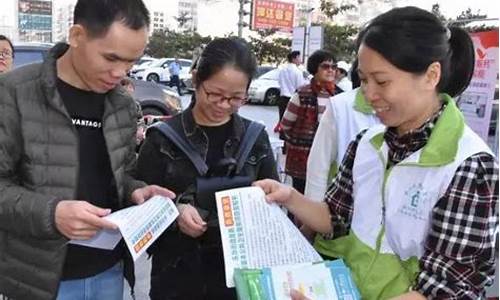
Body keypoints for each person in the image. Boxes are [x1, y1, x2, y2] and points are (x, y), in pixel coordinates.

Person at [255, 6, 498, 299]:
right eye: (364, 80)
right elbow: (336, 218)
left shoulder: (471, 166)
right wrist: (289, 197)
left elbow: (446, 287)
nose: (368, 95)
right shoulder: (366, 143)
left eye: (381, 81)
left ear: (431, 75)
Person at [0, 1, 175, 300]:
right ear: (77, 36)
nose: (120, 73)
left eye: (131, 62)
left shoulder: (122, 104)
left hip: (109, 271)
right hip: (38, 279)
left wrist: (136, 191)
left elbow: (121, 174)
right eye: (111, 58)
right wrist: (52, 213)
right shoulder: (13, 93)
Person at [136, 38, 279, 300]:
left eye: (236, 98)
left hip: (240, 280)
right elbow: (137, 201)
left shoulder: (255, 137)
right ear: (196, 80)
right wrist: (174, 212)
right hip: (176, 278)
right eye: (214, 94)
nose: (224, 105)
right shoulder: (163, 138)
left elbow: (274, 204)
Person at [280, 50, 339, 194]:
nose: (330, 70)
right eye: (325, 66)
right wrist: (299, 143)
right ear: (315, 69)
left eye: (334, 67)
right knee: (298, 200)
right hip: (302, 160)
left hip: (329, 160)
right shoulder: (301, 95)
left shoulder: (340, 96)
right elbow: (286, 125)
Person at [276, 50, 307, 134]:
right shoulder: (297, 71)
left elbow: (279, 82)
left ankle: (282, 139)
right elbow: (300, 86)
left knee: (283, 121)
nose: (300, 59)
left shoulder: (282, 70)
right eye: (299, 57)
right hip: (293, 99)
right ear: (295, 58)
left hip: (282, 98)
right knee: (292, 123)